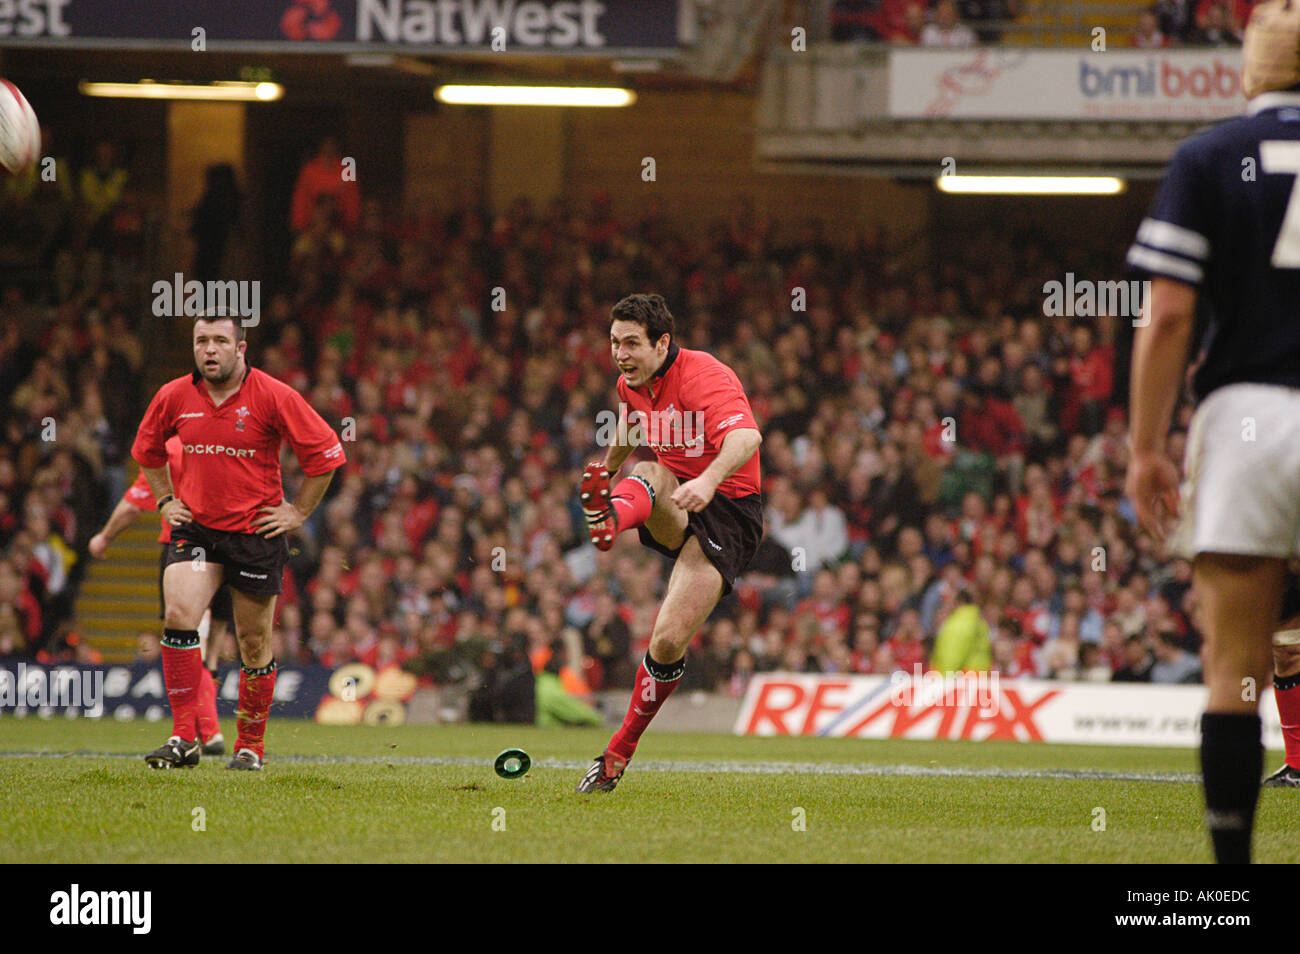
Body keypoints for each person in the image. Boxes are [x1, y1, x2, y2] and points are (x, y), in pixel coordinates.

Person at [1124, 0, 1300, 862]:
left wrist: (1146, 446)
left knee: (1237, 658)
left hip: (1248, 421)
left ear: (1253, 68)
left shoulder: (1210, 156)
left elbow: (1168, 315)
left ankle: (1230, 879)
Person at [131, 309, 345, 770]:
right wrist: (166, 500)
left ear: (240, 348)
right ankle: (184, 737)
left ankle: (250, 746)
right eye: (201, 341)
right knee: (179, 614)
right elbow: (147, 451)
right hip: (197, 529)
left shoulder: (273, 395)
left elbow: (326, 452)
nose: (209, 350)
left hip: (255, 532)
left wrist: (299, 511)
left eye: (220, 342)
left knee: (252, 644)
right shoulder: (174, 395)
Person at [576, 293, 763, 792]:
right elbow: (633, 422)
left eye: (632, 343)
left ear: (663, 343)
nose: (620, 353)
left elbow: (747, 438)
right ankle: (611, 515)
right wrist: (604, 469)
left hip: (726, 513)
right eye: (615, 342)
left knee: (665, 641)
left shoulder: (707, 375)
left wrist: (708, 482)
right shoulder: (630, 382)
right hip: (671, 499)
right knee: (649, 470)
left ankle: (617, 754)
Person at [89, 434, 228, 755]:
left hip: (185, 549)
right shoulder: (227, 441)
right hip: (234, 545)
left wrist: (104, 537)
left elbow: (132, 507)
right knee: (211, 643)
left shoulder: (170, 450)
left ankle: (206, 731)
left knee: (186, 634)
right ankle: (204, 728)